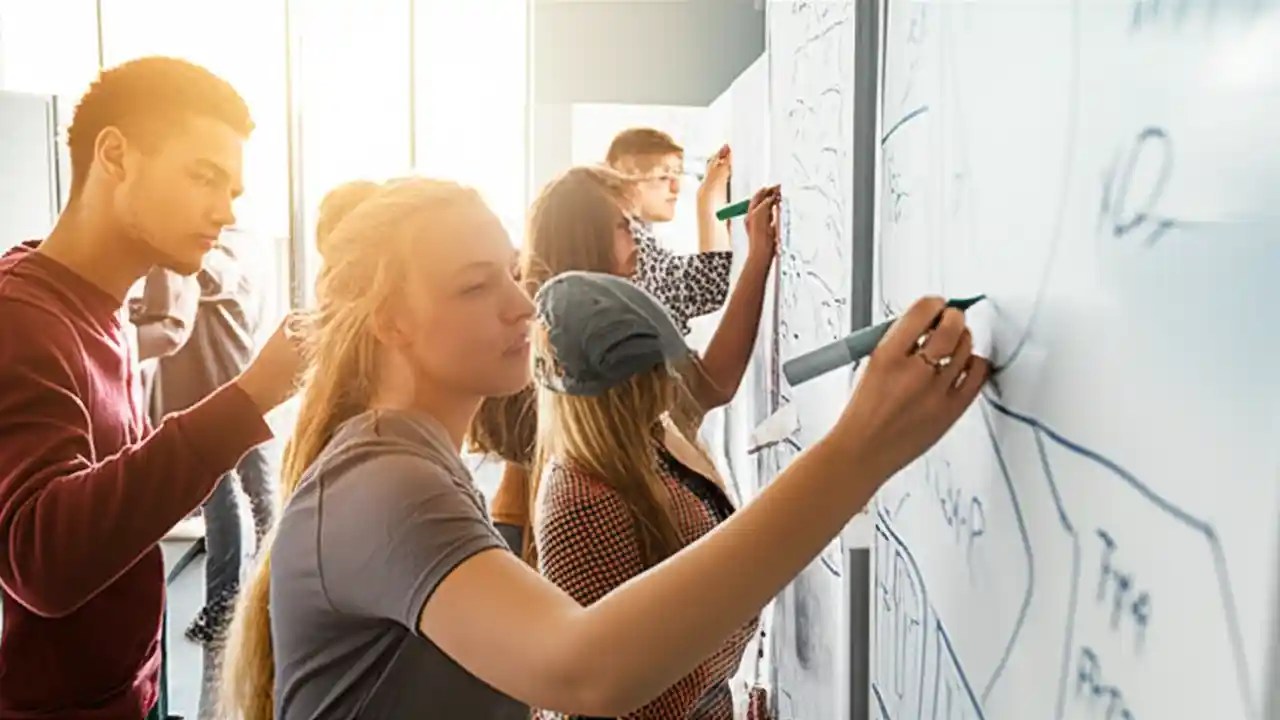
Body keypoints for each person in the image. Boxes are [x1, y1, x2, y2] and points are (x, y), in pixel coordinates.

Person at [219, 175, 989, 719]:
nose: (521, 304)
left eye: (512, 274)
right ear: (390, 321)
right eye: (475, 286)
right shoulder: (385, 480)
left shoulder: (406, 461)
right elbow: (585, 669)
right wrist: (858, 452)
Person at [0, 56, 301, 719]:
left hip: (127, 687)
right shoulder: (20, 317)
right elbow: (42, 562)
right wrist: (250, 397)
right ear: (115, 155)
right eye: (204, 177)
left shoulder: (105, 311)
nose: (225, 210)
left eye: (232, 189)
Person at [470, 166, 775, 556]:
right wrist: (757, 257)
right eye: (621, 226)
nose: (636, 236)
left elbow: (705, 386)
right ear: (586, 237)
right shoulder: (575, 342)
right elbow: (707, 387)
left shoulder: (590, 322)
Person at [529, 271, 759, 719]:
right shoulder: (584, 503)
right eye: (658, 372)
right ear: (625, 391)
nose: (671, 381)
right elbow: (620, 694)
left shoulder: (649, 437)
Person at [605, 128, 735, 336]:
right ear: (625, 176)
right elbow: (706, 287)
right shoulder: (627, 241)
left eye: (677, 174)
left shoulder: (618, 231)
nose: (676, 188)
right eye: (664, 176)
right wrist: (710, 194)